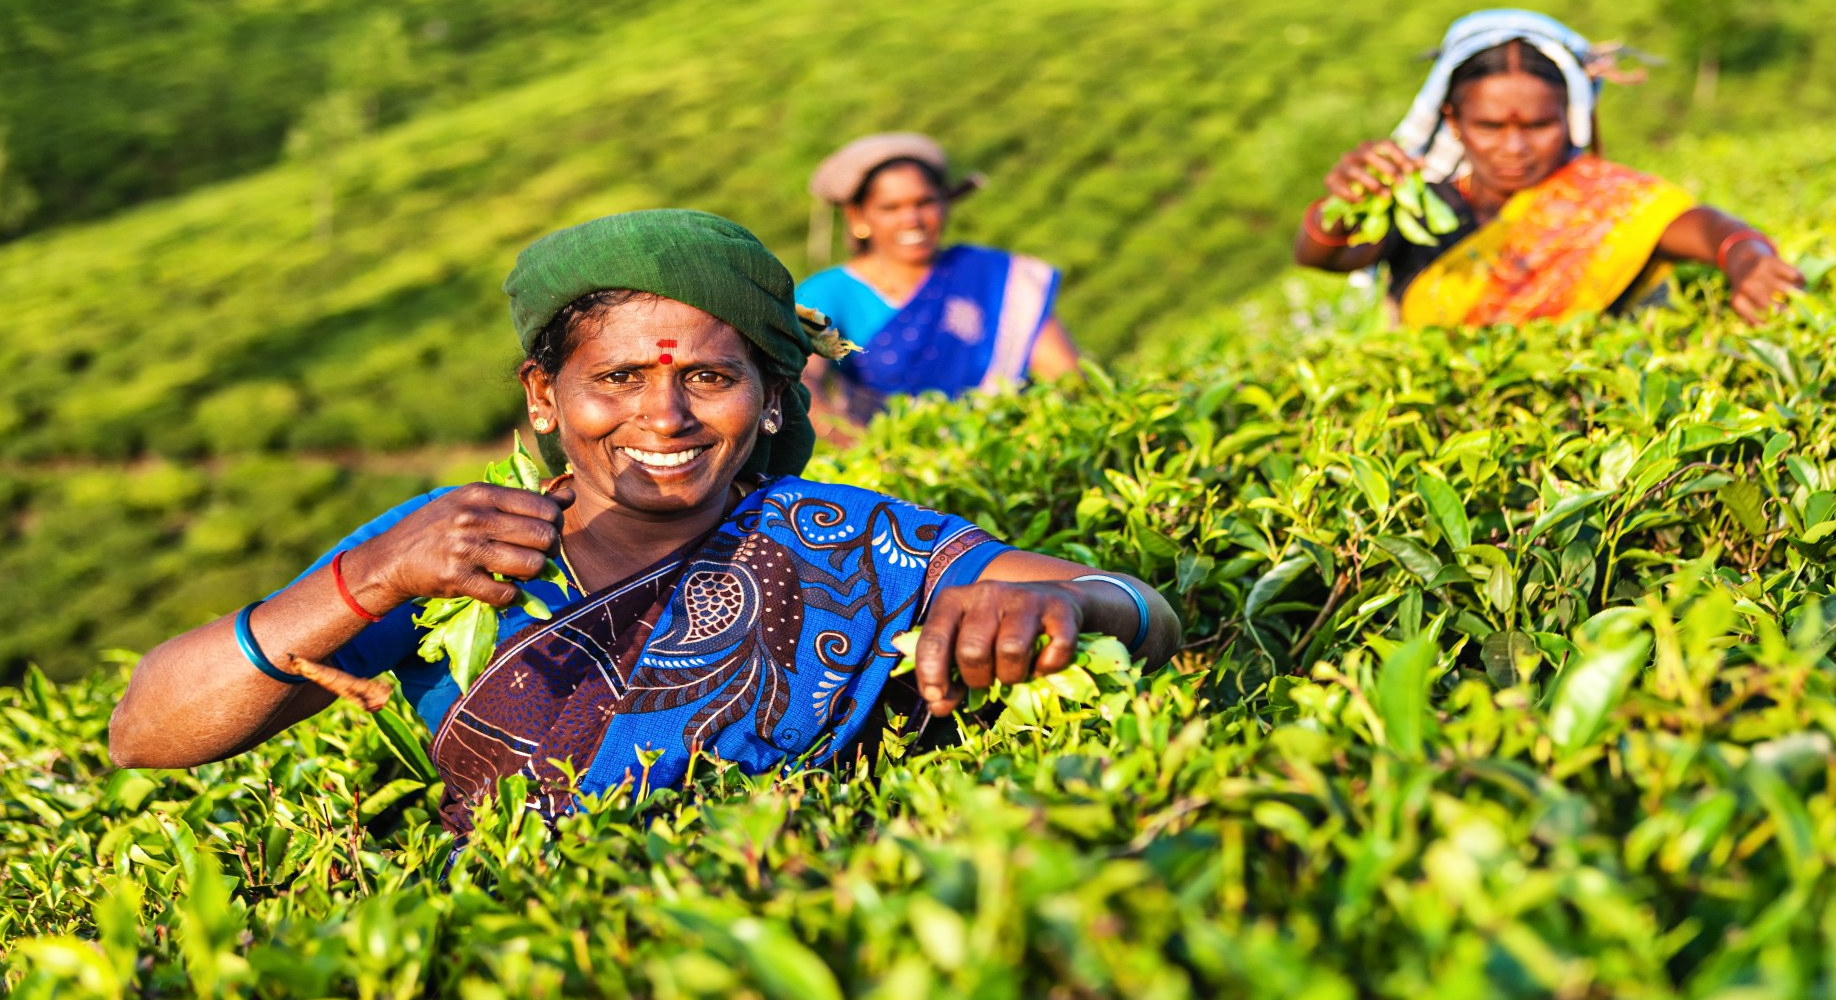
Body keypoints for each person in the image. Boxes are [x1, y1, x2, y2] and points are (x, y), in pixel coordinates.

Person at [108, 210, 1178, 834]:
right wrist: (363, 585)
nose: (660, 416)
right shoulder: (454, 548)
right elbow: (145, 731)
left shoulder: (846, 537)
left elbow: (1142, 608)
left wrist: (1040, 606)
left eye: (711, 377)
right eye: (614, 377)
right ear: (545, 396)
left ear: (770, 398)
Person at [1293, 9, 1802, 327]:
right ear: (1453, 120)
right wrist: (1345, 204)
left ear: (1569, 119)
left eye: (1537, 125)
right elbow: (1324, 257)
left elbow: (1706, 228)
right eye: (1491, 126)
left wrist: (1747, 258)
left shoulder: (1602, 200)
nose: (1514, 147)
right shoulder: (1429, 205)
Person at [798, 133, 1080, 428]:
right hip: (880, 460)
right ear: (857, 216)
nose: (912, 219)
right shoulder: (824, 294)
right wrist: (863, 446)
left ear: (945, 204)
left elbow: (1065, 377)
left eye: (925, 202)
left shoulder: (995, 278)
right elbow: (800, 379)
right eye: (890, 208)